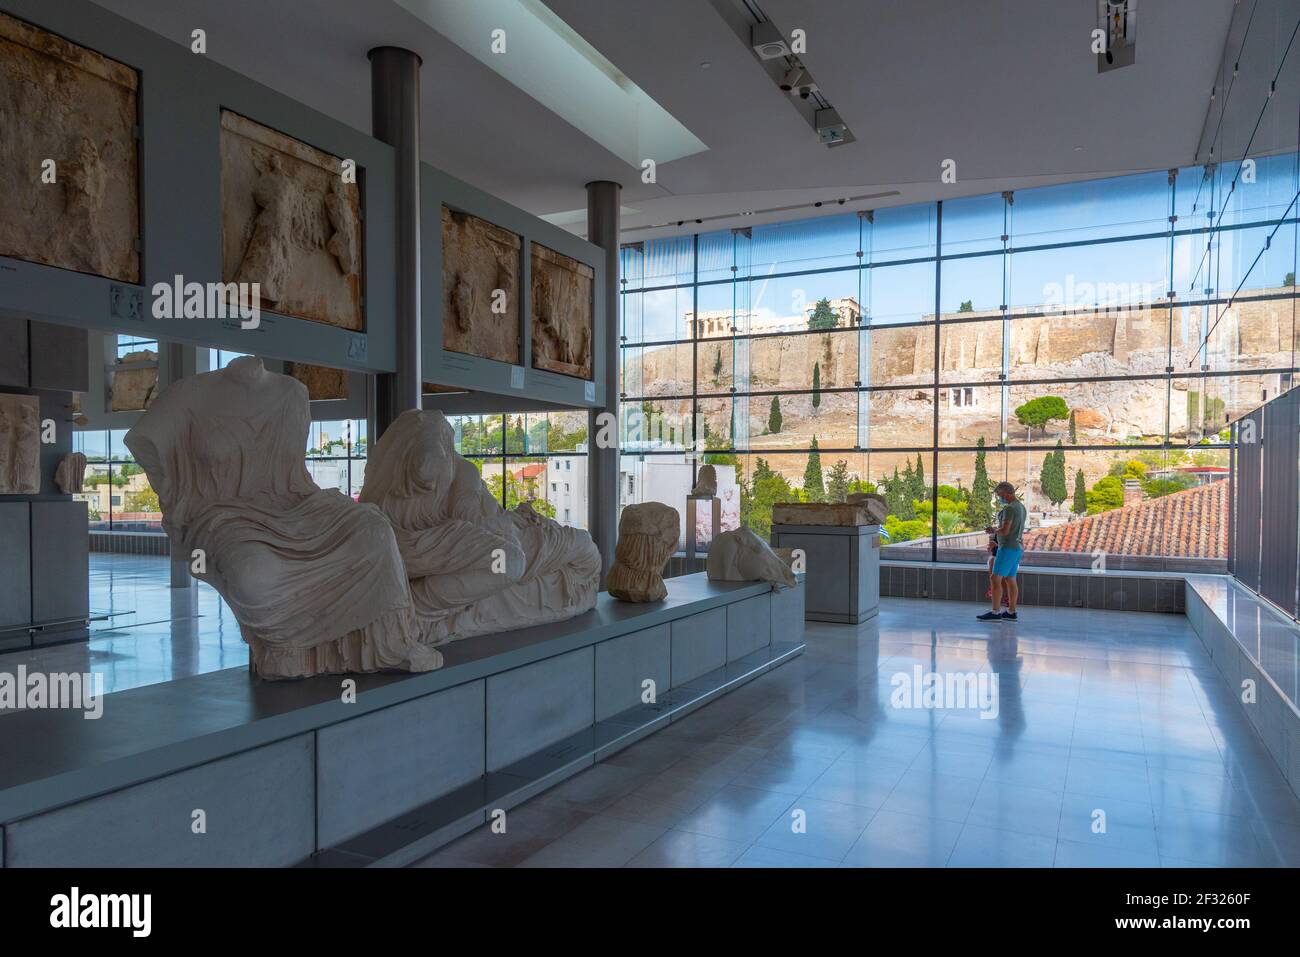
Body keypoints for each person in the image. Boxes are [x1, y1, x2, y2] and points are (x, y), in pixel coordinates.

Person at [977, 481, 1026, 622]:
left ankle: (995, 611)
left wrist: (993, 530)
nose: (999, 497)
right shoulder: (1021, 507)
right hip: (1016, 548)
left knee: (995, 578)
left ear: (1005, 493)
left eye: (999, 494)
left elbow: (1005, 530)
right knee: (1010, 579)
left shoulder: (1010, 509)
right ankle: (1011, 612)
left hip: (1008, 548)